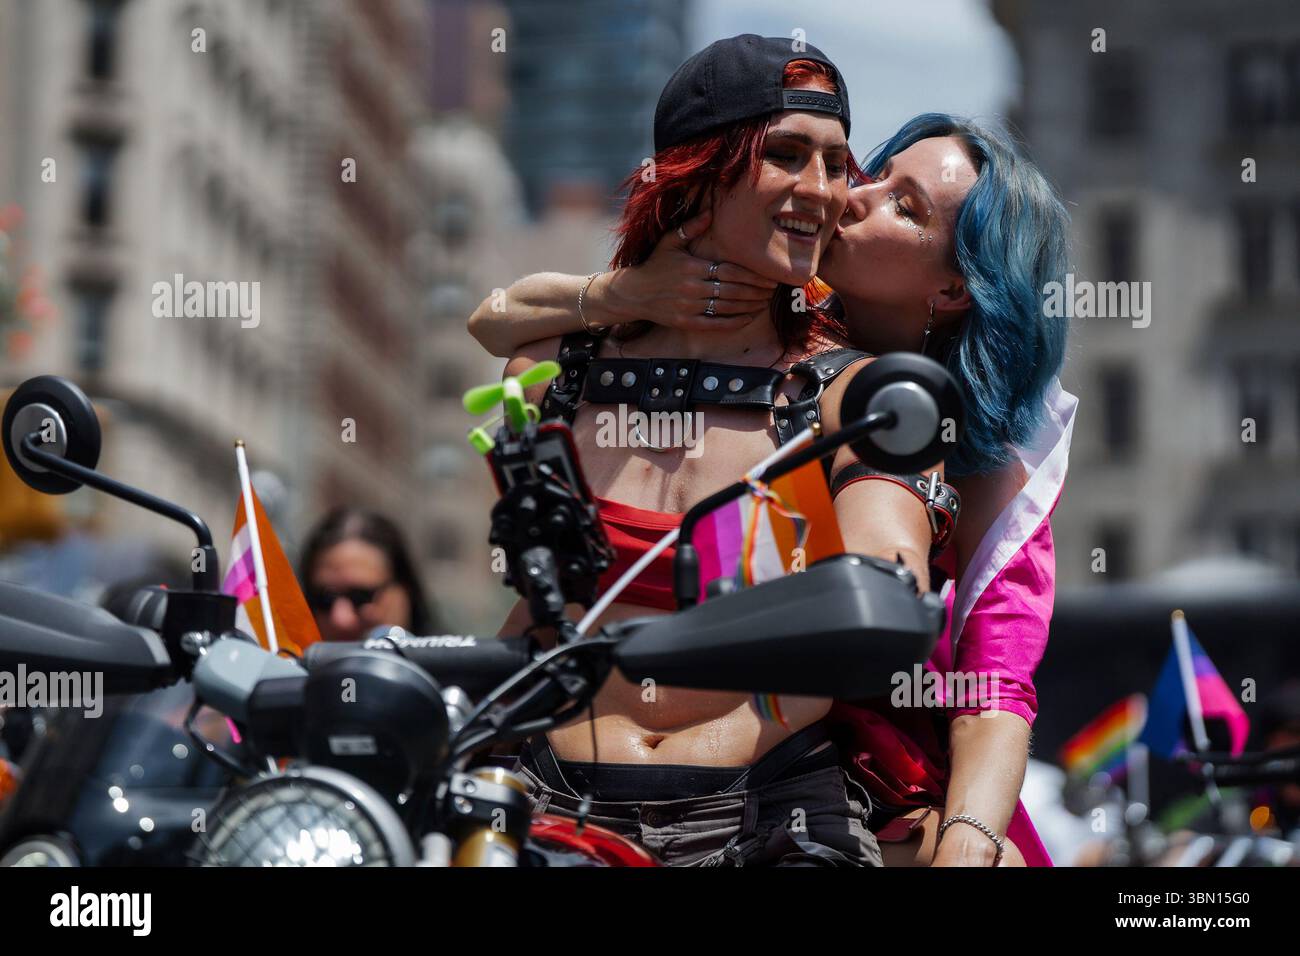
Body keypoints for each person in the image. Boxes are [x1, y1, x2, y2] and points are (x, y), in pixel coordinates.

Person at [470, 110, 1077, 865]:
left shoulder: (990, 474)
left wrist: (968, 838)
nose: (852, 196)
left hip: (860, 771)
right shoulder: (759, 323)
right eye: (872, 174)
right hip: (603, 773)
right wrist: (631, 294)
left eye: (904, 206)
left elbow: (993, 697)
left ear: (954, 286)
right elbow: (494, 322)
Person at [299, 507, 439, 643]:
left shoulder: (456, 663)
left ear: (405, 592)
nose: (340, 620)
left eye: (360, 596)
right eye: (324, 600)